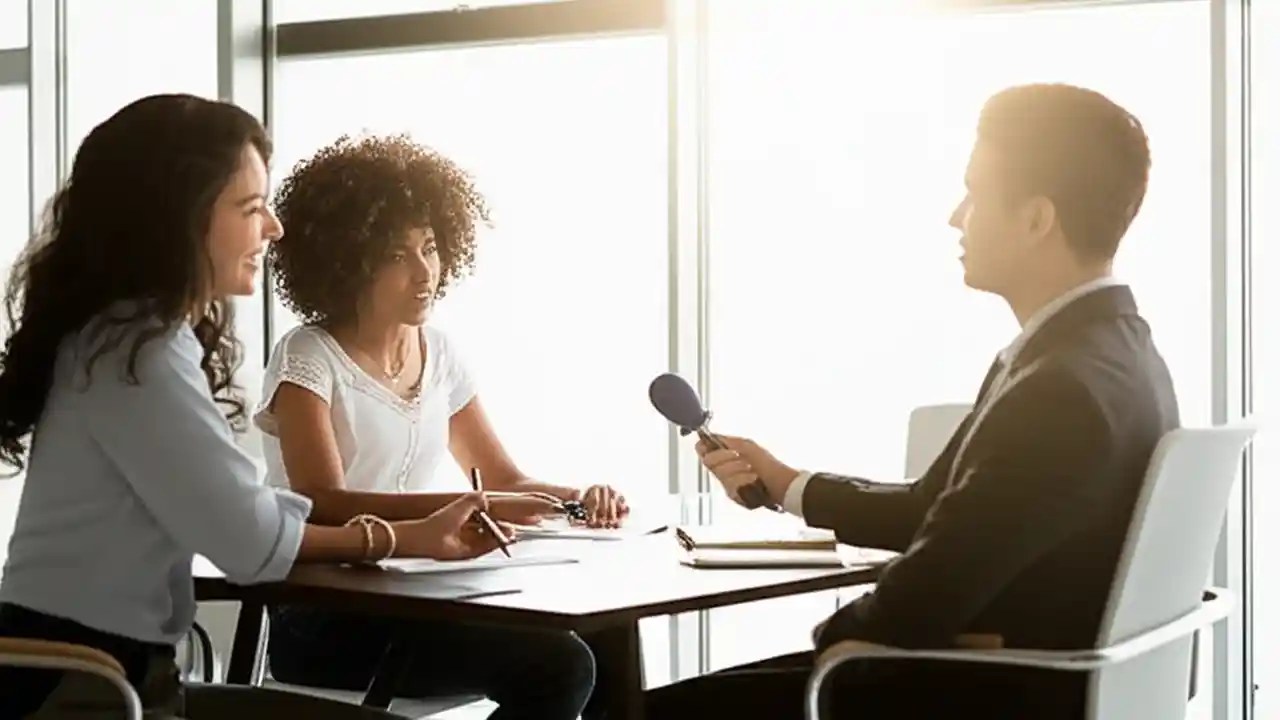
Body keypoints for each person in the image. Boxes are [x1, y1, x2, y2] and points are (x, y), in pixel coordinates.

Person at [645, 83, 1179, 719]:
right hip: (1029, 676)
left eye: (975, 193)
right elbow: (934, 512)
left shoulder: (1058, 391)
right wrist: (786, 483)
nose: (956, 216)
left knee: (636, 709)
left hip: (985, 691)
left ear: (1036, 219)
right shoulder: (1115, 354)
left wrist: (828, 643)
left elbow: (923, 599)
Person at [0, 94, 512, 719]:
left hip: (101, 675)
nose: (272, 228)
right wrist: (405, 538)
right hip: (84, 687)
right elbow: (248, 539)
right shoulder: (139, 353)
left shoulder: (124, 338)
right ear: (180, 219)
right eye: (251, 208)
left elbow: (239, 510)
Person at [254, 133, 622, 719]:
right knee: (562, 665)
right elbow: (321, 502)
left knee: (609, 636)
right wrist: (467, 507)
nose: (425, 272)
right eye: (397, 256)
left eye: (430, 247)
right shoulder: (308, 356)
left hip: (418, 594)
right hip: (325, 617)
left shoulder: (441, 354)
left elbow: (506, 479)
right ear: (348, 262)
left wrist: (576, 498)